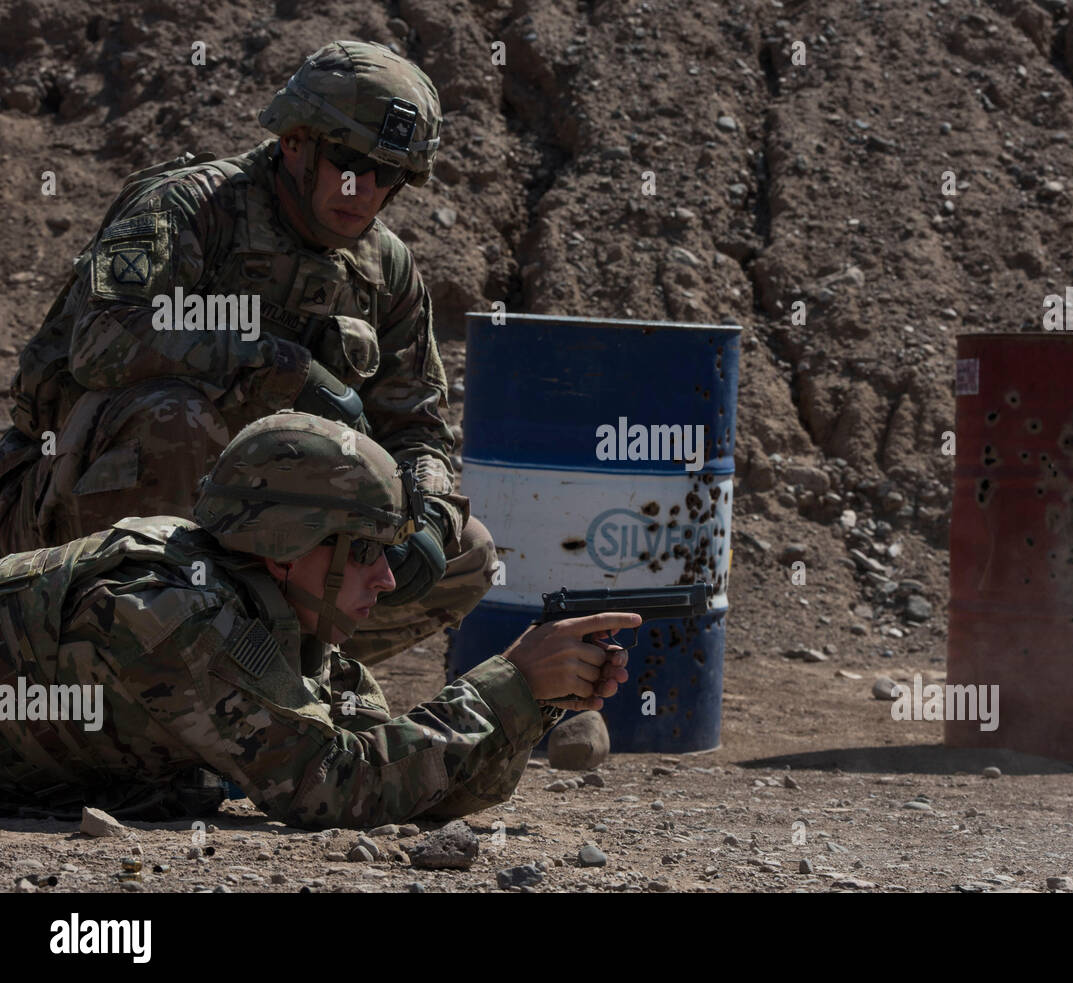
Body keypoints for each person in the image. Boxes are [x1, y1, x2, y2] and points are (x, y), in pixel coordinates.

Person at [0, 40, 474, 665]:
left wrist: (430, 517)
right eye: (349, 162)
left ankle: (273, 671)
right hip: (62, 501)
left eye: (390, 176)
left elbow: (416, 424)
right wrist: (277, 367)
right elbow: (102, 339)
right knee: (175, 421)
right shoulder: (191, 210)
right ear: (295, 142)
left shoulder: (385, 271)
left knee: (471, 559)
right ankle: (119, 664)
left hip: (273, 532)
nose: (365, 190)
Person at [0, 412, 635, 827]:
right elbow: (334, 786)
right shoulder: (174, 617)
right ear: (284, 545)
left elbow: (407, 781)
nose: (388, 580)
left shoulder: (274, 618)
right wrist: (511, 684)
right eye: (364, 552)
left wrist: (540, 695)